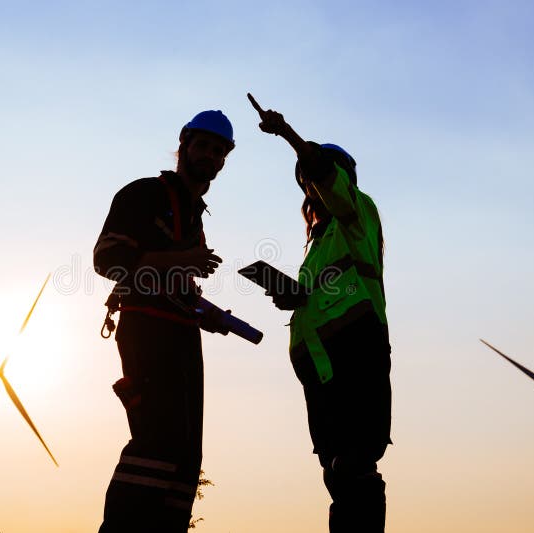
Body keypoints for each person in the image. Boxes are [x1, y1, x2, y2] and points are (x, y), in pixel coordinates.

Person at [249, 93, 391, 533]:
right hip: (321, 368)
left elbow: (325, 175)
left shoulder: (356, 212)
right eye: (306, 185)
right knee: (335, 470)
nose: (311, 189)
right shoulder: (319, 245)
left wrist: (288, 134)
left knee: (355, 465)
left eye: (313, 179)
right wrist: (293, 296)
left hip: (355, 356)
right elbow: (321, 295)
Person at [93, 109, 234, 533]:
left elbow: (177, 285)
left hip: (184, 338)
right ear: (185, 144)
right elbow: (108, 260)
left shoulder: (194, 218)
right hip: (147, 333)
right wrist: (181, 260)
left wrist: (209, 314)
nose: (211, 156)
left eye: (220, 151)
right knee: (157, 442)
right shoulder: (143, 194)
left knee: (187, 455)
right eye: (204, 146)